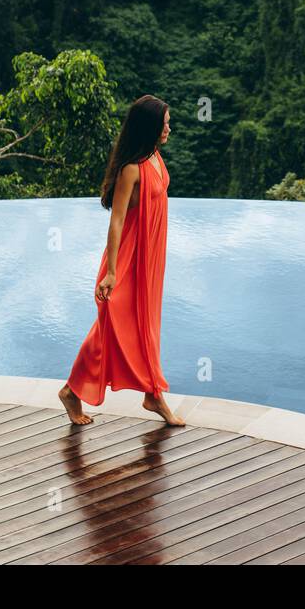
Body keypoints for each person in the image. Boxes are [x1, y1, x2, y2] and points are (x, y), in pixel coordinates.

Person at [58, 95, 184, 427]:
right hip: (128, 259)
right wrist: (112, 271)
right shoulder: (132, 169)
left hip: (151, 256)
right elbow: (116, 221)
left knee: (146, 324)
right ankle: (74, 391)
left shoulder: (155, 156)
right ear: (150, 127)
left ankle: (151, 393)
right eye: (165, 123)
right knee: (112, 325)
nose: (169, 127)